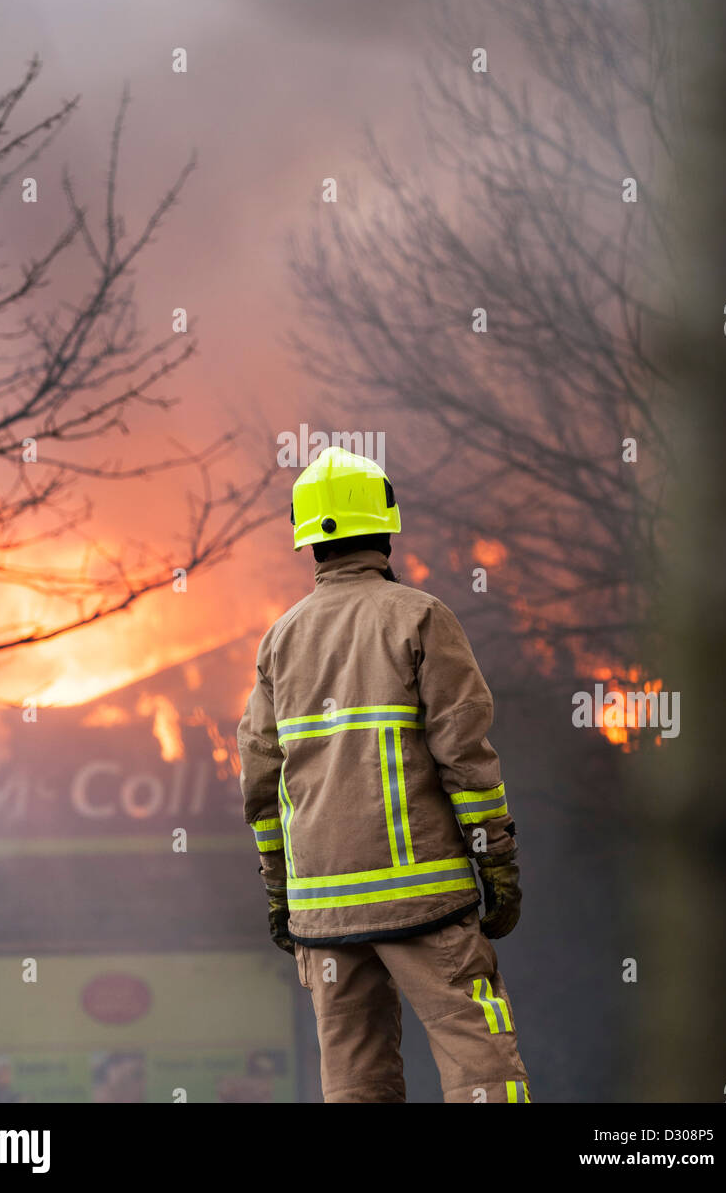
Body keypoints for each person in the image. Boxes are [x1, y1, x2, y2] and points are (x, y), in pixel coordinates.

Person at [237, 445, 531, 1103]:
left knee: (353, 1077)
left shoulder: (280, 639)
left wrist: (279, 891)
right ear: (386, 527)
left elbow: (259, 776)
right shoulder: (420, 616)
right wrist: (497, 863)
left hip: (323, 908)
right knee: (475, 1053)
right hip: (424, 899)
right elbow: (465, 756)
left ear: (306, 540)